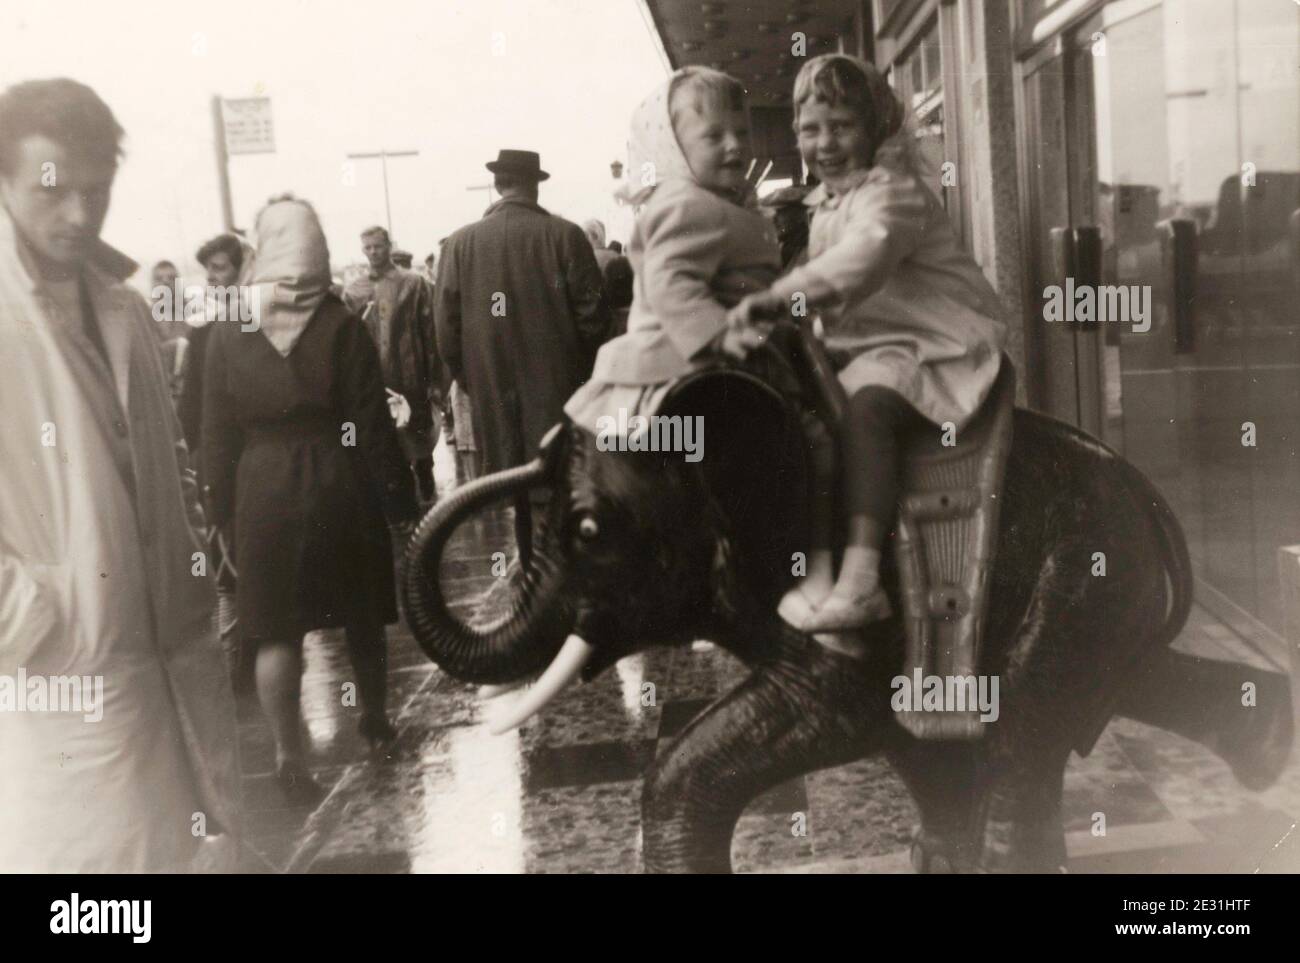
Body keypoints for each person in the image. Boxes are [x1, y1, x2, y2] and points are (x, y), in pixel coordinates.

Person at [0, 77, 240, 871]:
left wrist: (194, 551)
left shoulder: (123, 305)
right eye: (51, 188)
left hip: (164, 655)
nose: (77, 213)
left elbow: (165, 457)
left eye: (95, 191)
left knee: (176, 855)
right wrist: (34, 617)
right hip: (57, 681)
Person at [729, 54, 1007, 630]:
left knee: (865, 411)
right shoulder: (829, 202)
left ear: (875, 126)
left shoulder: (894, 194)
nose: (825, 143)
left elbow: (862, 260)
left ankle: (861, 580)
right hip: (877, 342)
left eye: (841, 125)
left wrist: (781, 299)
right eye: (810, 129)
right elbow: (812, 271)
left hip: (936, 347)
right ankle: (812, 567)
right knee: (796, 413)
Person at [565, 67, 836, 621]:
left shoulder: (721, 202)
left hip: (731, 351)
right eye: (714, 136)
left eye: (741, 130)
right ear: (674, 149)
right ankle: (784, 568)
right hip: (690, 361)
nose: (735, 144)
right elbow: (670, 284)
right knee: (803, 446)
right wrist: (719, 333)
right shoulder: (687, 204)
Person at [203, 196, 419, 803]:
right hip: (339, 476)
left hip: (262, 485)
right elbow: (370, 420)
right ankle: (373, 721)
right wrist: (397, 502)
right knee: (360, 614)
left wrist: (219, 510)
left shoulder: (229, 327)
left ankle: (286, 752)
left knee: (274, 629)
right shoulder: (340, 323)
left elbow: (213, 430)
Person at [436, 148, 608, 560]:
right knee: (559, 484)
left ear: (498, 185)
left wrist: (471, 377)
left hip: (492, 387)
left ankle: (529, 576)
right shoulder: (566, 236)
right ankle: (561, 584)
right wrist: (582, 378)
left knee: (513, 485)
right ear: (534, 185)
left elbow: (446, 331)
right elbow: (595, 321)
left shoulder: (459, 245)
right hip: (559, 388)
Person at [343, 225, 440, 502]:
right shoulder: (355, 291)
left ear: (389, 246)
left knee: (418, 437)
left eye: (378, 246)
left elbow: (429, 331)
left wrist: (433, 379)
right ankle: (402, 500)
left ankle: (426, 480)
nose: (373, 252)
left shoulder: (413, 283)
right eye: (368, 247)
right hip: (375, 379)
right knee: (386, 442)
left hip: (410, 374)